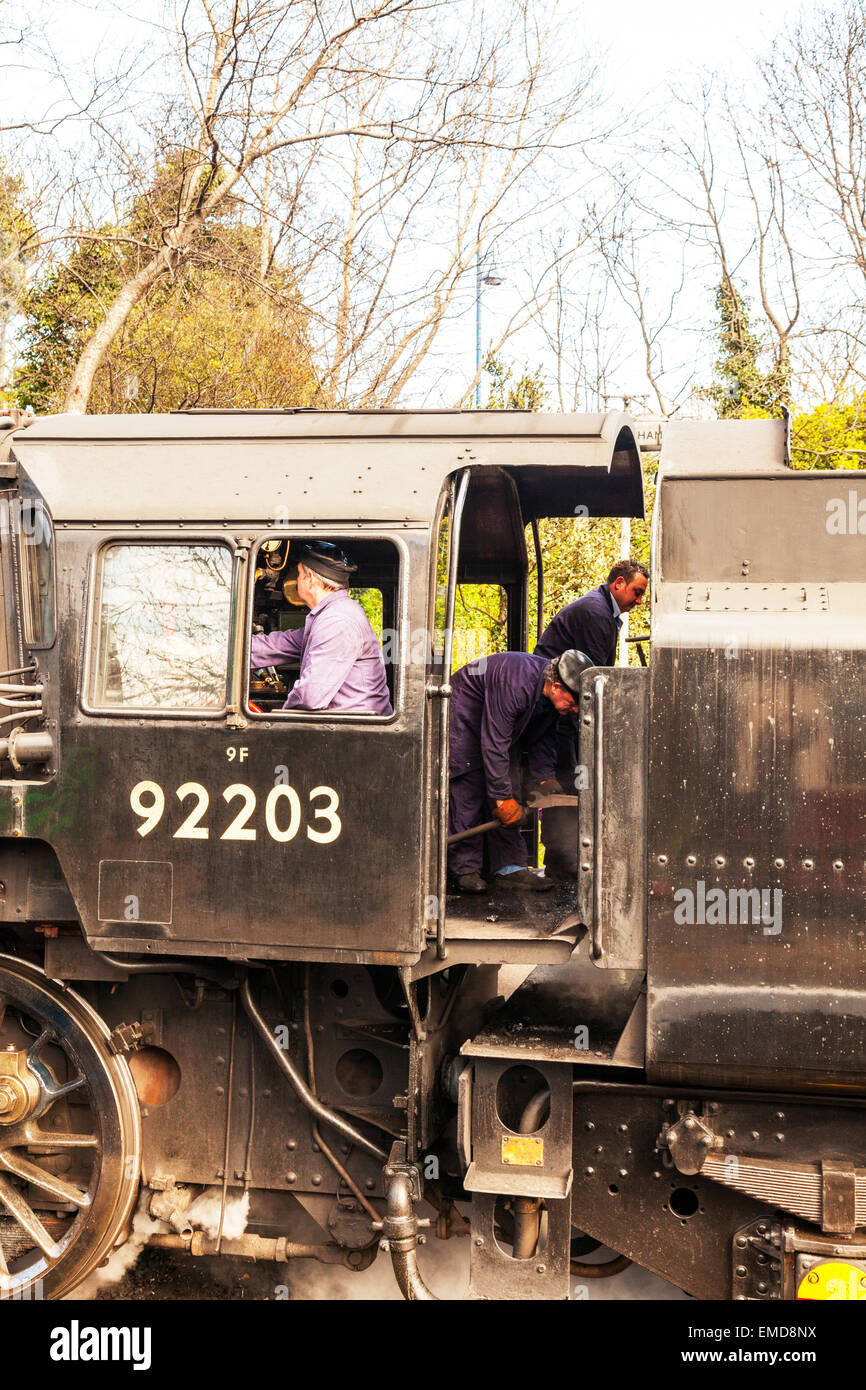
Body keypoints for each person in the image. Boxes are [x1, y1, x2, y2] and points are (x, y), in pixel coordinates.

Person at [534, 559, 648, 878]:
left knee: (573, 780)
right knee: (569, 780)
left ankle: (564, 860)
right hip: (560, 709)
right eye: (637, 592)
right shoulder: (596, 613)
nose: (639, 601)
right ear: (618, 584)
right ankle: (562, 862)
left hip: (564, 708)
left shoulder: (603, 612)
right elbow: (595, 678)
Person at [448, 649, 592, 894]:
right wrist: (501, 799)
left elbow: (543, 737)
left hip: (502, 731)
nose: (576, 709)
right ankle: (465, 869)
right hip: (465, 718)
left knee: (509, 781)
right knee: (470, 786)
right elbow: (494, 742)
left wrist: (544, 777)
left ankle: (508, 867)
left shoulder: (550, 697)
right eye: (574, 701)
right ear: (557, 686)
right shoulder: (516, 682)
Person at [249, 541, 392, 715]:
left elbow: (310, 695)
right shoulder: (329, 615)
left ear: (309, 579)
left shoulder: (337, 621)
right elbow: (277, 646)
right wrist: (222, 652)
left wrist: (276, 718)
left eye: (299, 574)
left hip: (352, 733)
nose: (295, 580)